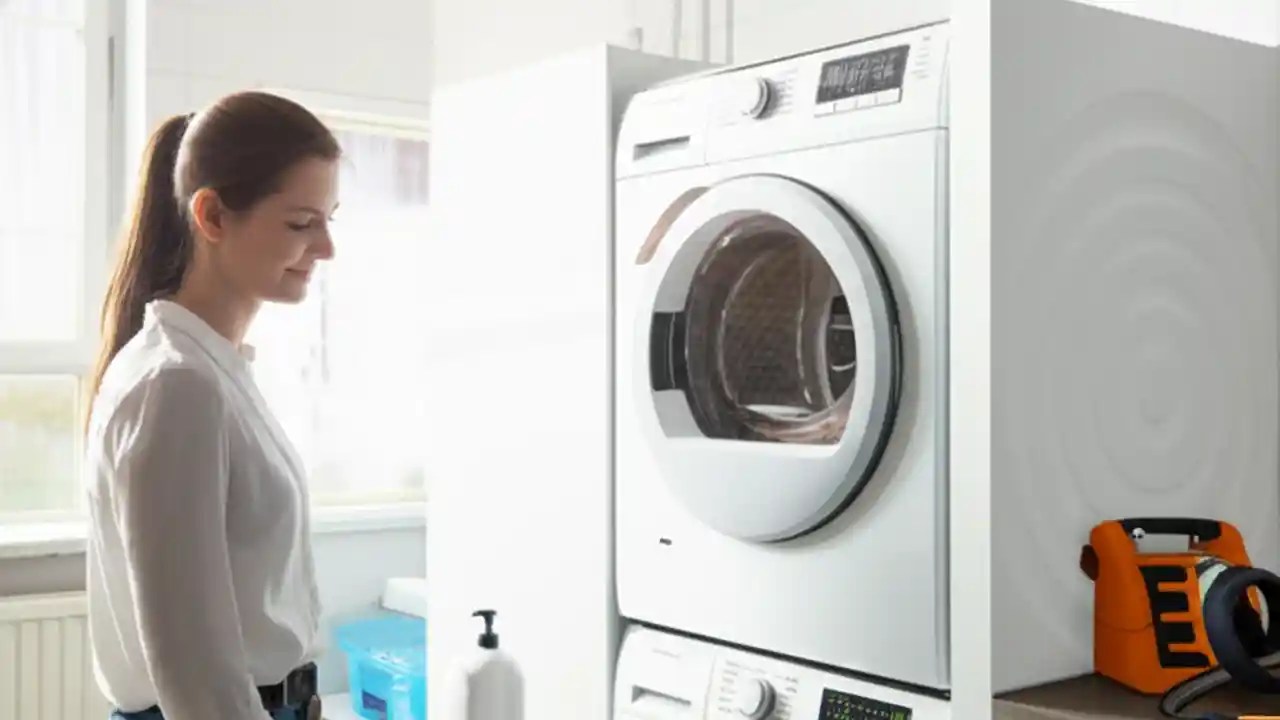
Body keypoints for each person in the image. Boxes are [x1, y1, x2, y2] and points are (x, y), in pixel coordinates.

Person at [82, 91, 342, 720]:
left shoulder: (210, 371)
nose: (327, 247)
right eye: (302, 223)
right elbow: (197, 680)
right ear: (213, 217)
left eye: (331, 218)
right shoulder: (177, 387)